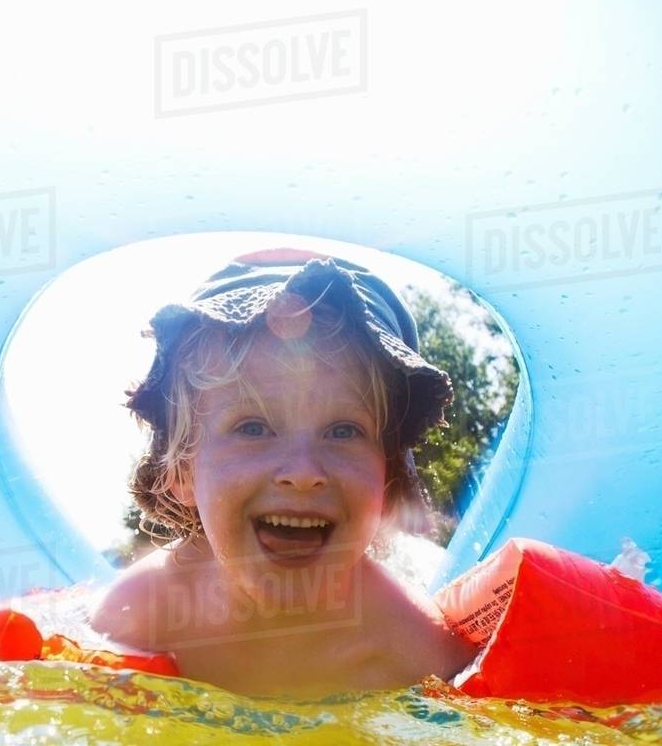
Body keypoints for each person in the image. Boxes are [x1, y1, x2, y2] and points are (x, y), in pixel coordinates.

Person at [86, 247, 478, 698]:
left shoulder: (416, 648)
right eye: (253, 428)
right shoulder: (140, 615)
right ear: (182, 470)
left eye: (343, 430)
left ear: (387, 479)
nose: (303, 472)